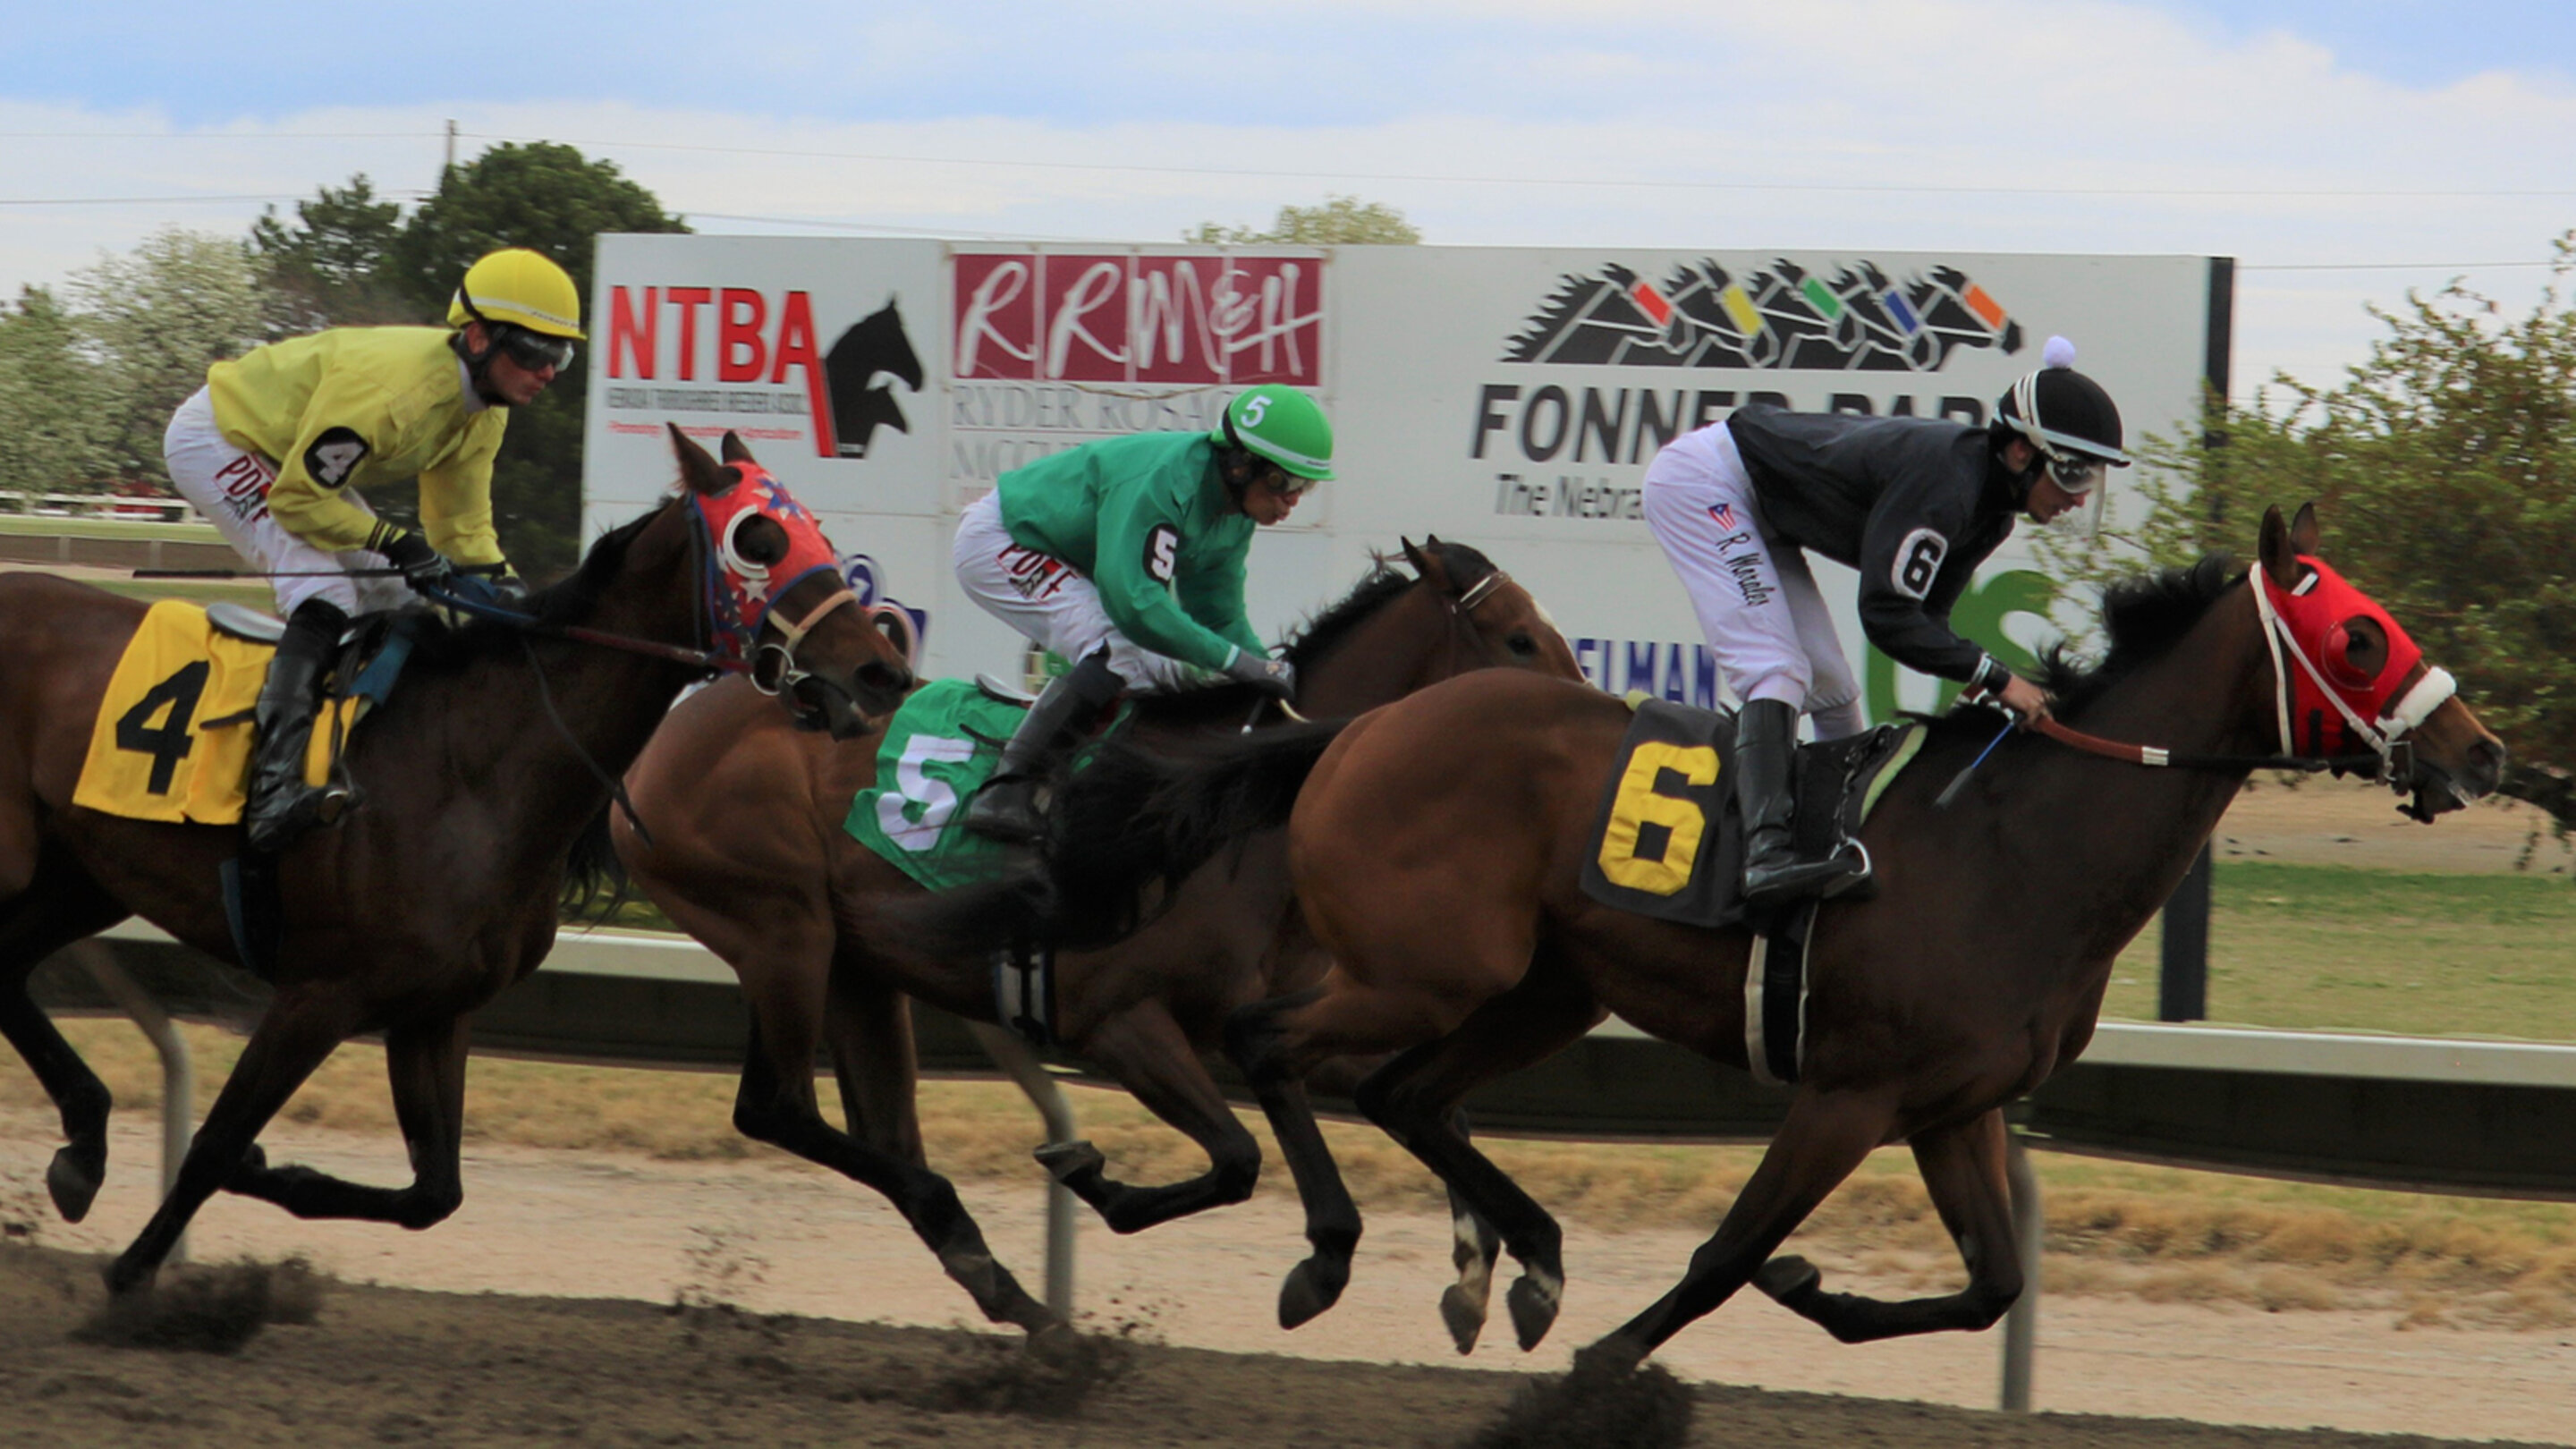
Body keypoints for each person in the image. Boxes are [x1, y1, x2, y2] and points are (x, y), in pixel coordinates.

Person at [1640, 335, 2129, 905]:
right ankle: (1765, 857)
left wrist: (1990, 686)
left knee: (1837, 696)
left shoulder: (1991, 517)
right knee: (1775, 670)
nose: (2078, 496)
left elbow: (1925, 624)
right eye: (2071, 472)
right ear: (2021, 451)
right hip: (1706, 485)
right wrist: (1999, 679)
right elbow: (1886, 615)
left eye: (2089, 477)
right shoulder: (1946, 483)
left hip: (1761, 508)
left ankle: (1834, 846)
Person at [162, 247, 583, 852]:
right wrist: (393, 540)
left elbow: (460, 529)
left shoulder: (485, 412)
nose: (548, 372)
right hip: (220, 439)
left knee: (393, 592)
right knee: (328, 588)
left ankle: (371, 754)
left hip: (288, 456)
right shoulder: (396, 397)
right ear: (479, 338)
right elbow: (299, 501)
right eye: (536, 352)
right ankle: (274, 787)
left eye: (560, 356)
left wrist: (513, 597)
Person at [952, 385, 1332, 841]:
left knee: (1161, 671)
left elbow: (1219, 618)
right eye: (1284, 482)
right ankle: (1004, 792)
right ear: (1239, 462)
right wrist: (1241, 665)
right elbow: (1135, 605)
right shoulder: (1167, 481)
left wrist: (1270, 675)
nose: (1292, 499)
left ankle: (1097, 795)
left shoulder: (1232, 515)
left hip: (1057, 549)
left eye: (1304, 486)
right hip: (1001, 539)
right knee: (1117, 651)